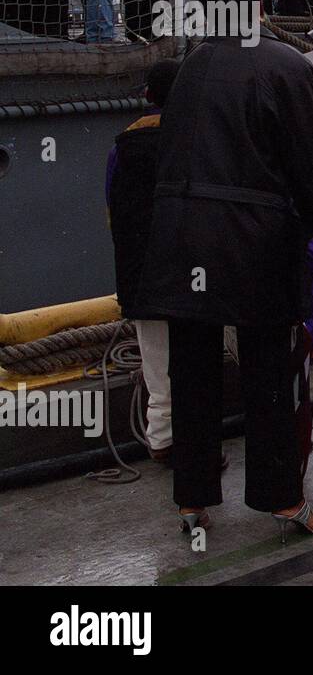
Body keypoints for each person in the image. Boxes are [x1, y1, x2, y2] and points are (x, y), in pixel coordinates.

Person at [135, 0, 313, 538]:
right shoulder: (287, 66)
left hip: (182, 241)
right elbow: (312, 170)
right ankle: (279, 497)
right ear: (261, 4)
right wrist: (312, 224)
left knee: (193, 373)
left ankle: (193, 496)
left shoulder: (189, 67)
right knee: (270, 374)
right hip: (259, 244)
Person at [107, 59, 182, 463]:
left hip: (141, 274)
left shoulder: (122, 147)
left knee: (156, 363)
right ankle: (195, 442)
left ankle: (163, 437)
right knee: (193, 361)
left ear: (149, 97)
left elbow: (112, 210)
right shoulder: (195, 139)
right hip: (192, 273)